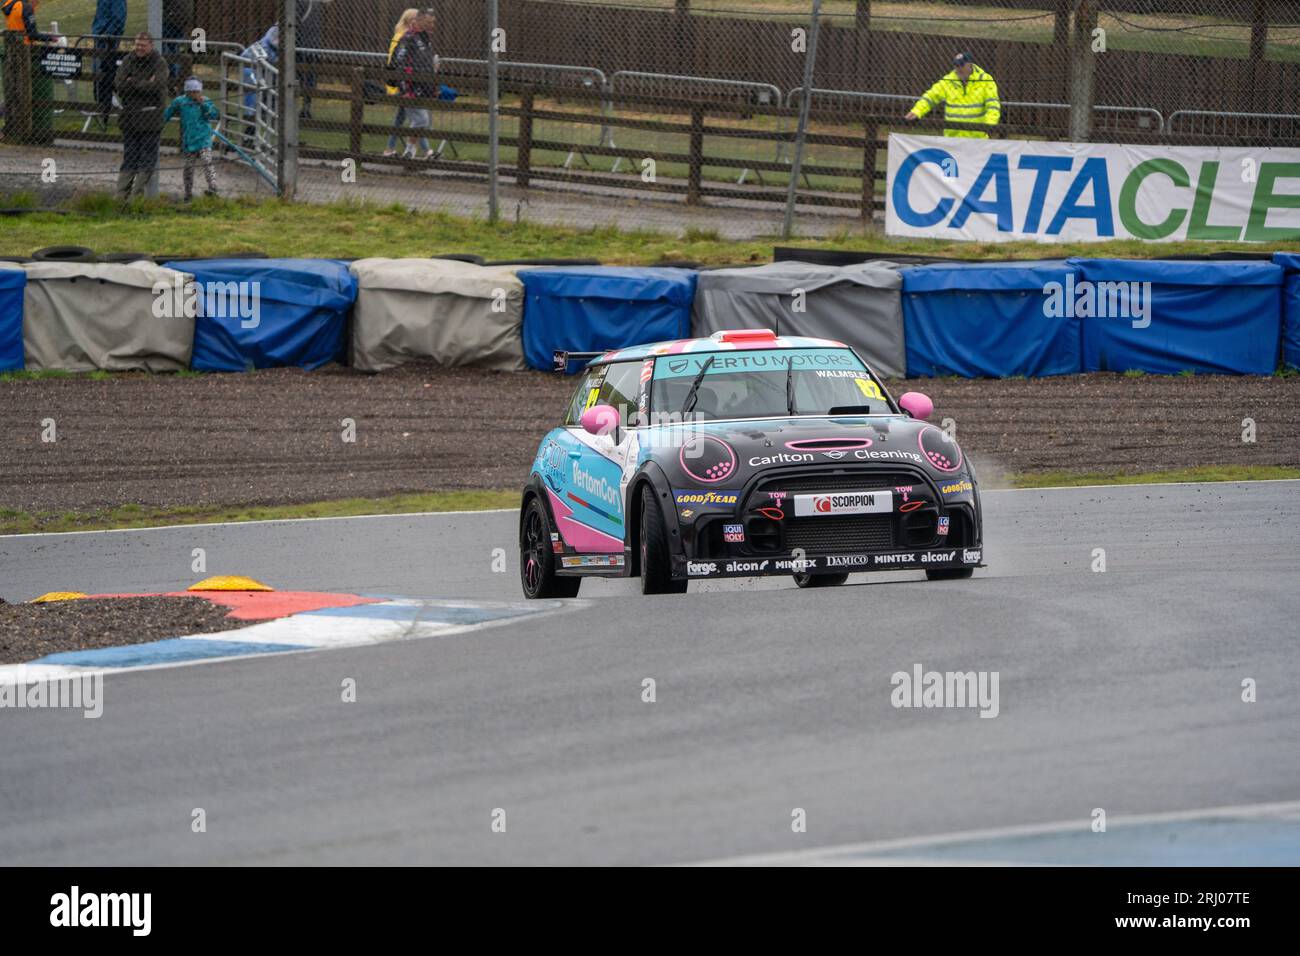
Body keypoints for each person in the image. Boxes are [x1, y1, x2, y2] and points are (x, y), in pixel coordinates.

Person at [113, 31, 168, 199]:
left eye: (143, 45)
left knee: (146, 158)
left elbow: (157, 86)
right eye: (137, 44)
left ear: (151, 45)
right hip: (130, 118)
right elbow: (119, 85)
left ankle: (135, 197)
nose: (139, 48)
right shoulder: (128, 60)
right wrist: (144, 83)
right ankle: (121, 195)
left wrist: (133, 82)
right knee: (129, 156)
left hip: (150, 120)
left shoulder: (159, 63)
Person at [905, 52, 1000, 139]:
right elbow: (931, 96)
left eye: (961, 65)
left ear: (970, 65)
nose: (958, 69)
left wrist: (990, 125)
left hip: (976, 138)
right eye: (956, 65)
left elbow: (992, 105)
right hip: (952, 139)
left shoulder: (985, 80)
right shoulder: (948, 80)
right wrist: (917, 111)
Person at [390, 10, 438, 159]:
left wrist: (433, 85)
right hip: (410, 87)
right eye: (429, 22)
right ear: (419, 21)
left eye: (433, 22)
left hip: (423, 87)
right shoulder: (408, 38)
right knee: (421, 119)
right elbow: (399, 63)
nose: (432, 25)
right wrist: (404, 88)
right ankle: (410, 150)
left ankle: (410, 152)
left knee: (419, 120)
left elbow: (427, 63)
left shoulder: (424, 39)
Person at [163, 76, 219, 200]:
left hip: (204, 139)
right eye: (192, 92)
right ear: (187, 91)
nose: (195, 94)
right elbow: (169, 112)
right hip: (189, 140)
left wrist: (203, 105)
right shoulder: (180, 101)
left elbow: (214, 114)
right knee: (188, 167)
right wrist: (160, 122)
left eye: (197, 91)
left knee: (207, 162)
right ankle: (188, 193)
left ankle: (213, 187)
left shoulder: (206, 101)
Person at [382, 8, 419, 157]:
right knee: (419, 118)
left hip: (412, 83)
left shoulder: (413, 37)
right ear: (409, 21)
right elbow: (394, 60)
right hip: (404, 84)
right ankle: (423, 151)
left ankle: (390, 149)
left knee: (406, 117)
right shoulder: (401, 37)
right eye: (416, 19)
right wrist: (394, 85)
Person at [239, 24, 278, 148]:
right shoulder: (276, 30)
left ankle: (258, 138)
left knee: (268, 105)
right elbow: (273, 43)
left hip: (264, 71)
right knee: (253, 105)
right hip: (252, 68)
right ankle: (249, 137)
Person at [90, 0, 126, 120]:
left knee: (104, 71)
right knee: (97, 72)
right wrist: (96, 29)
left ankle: (108, 105)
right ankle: (103, 103)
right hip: (99, 36)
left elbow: (119, 19)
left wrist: (107, 34)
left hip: (107, 40)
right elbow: (100, 15)